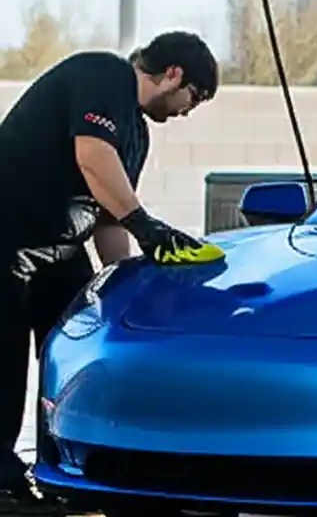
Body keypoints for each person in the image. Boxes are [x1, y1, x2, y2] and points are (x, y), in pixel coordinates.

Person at [0, 31, 219, 507]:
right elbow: (92, 155)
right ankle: (2, 482)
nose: (186, 111)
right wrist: (147, 225)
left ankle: (70, 470)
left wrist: (128, 288)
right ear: (174, 75)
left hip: (59, 250)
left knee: (83, 357)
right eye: (193, 98)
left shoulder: (137, 136)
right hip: (8, 236)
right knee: (5, 363)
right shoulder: (103, 75)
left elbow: (107, 222)